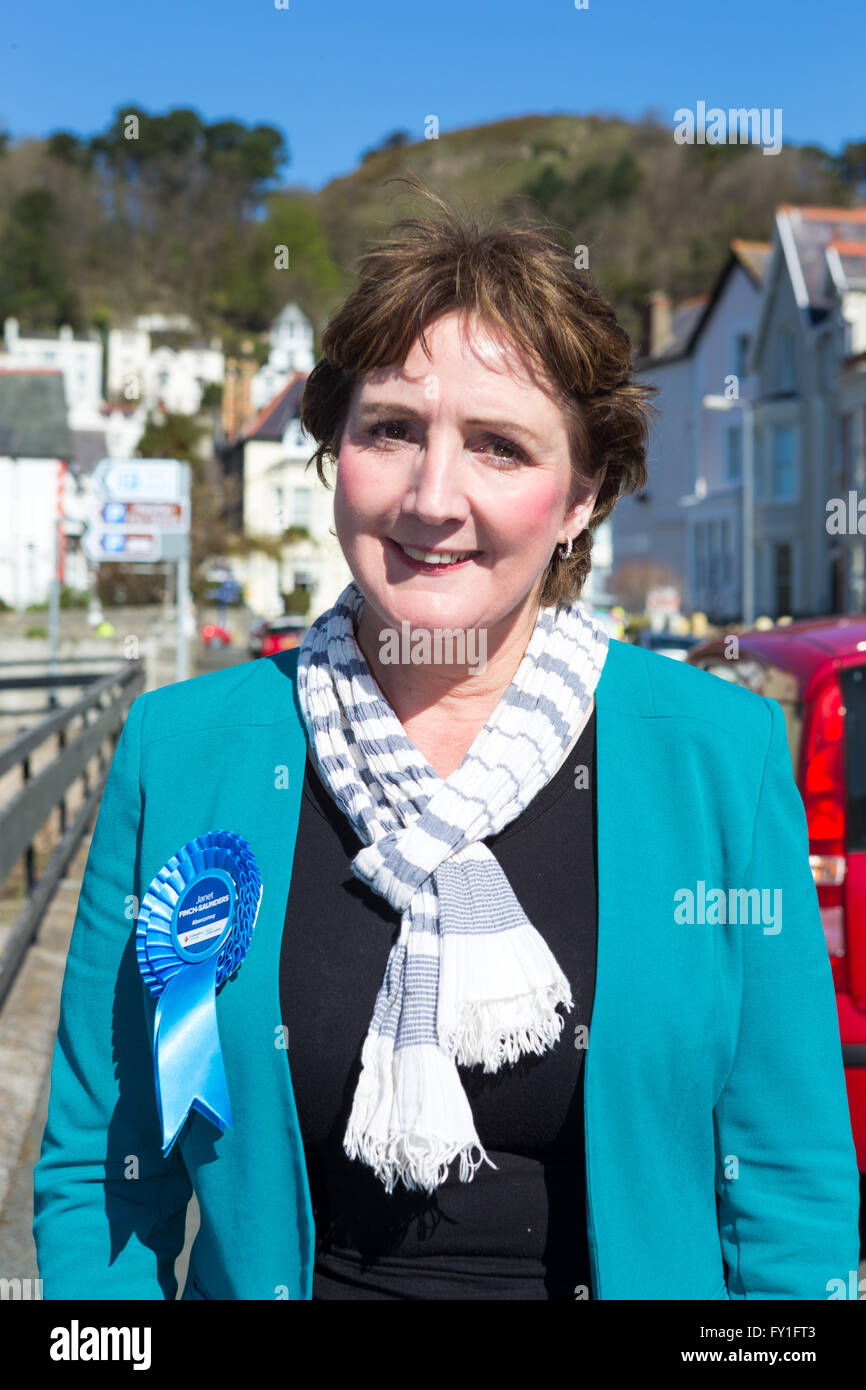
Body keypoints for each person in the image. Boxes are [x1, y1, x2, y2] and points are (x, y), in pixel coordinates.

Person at [33, 182, 860, 1300]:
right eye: (389, 430)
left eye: (499, 447)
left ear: (582, 495)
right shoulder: (183, 749)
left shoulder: (716, 754)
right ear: (333, 450)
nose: (432, 496)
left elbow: (784, 1181)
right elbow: (105, 1173)